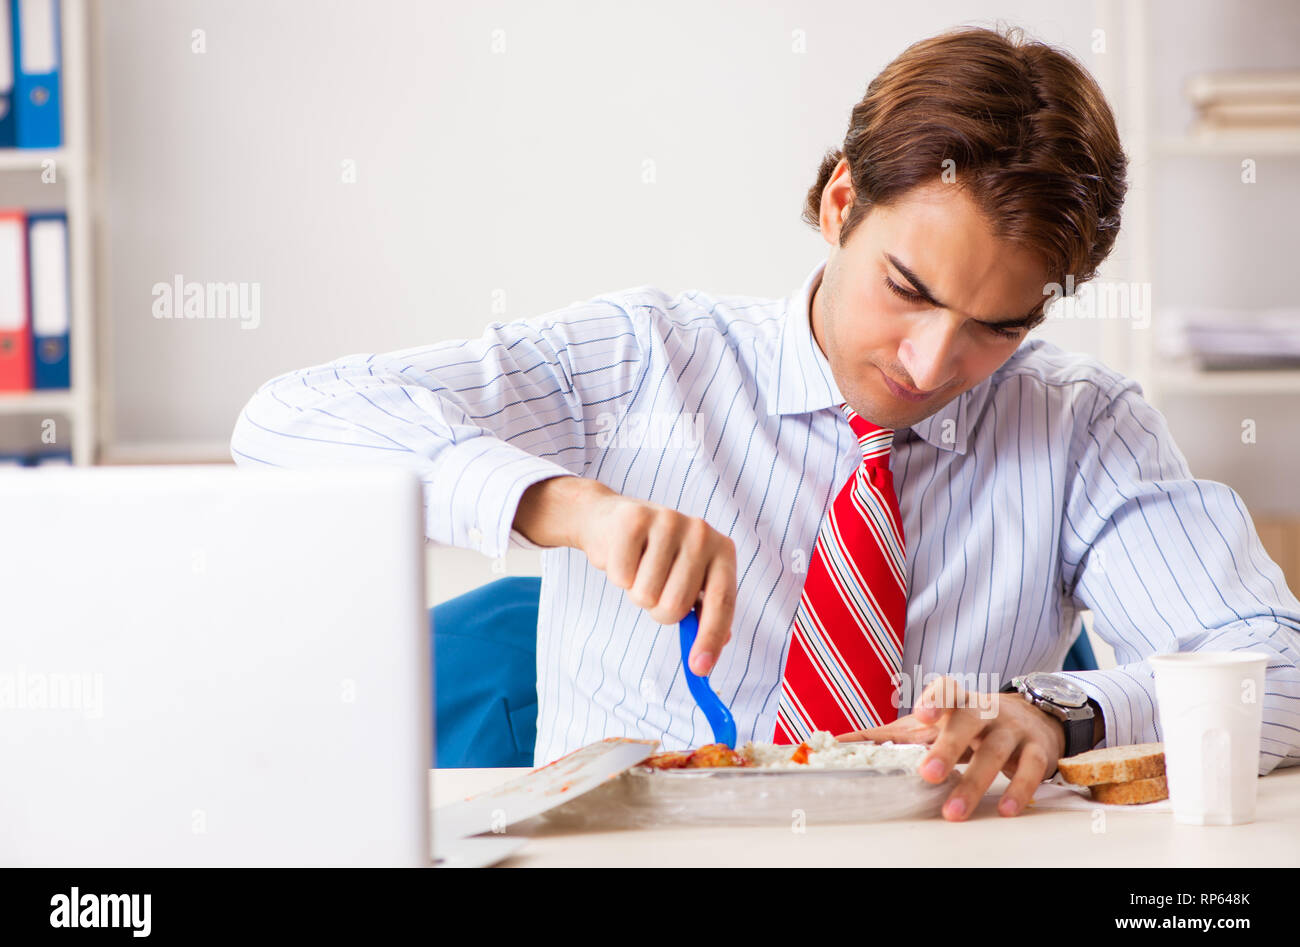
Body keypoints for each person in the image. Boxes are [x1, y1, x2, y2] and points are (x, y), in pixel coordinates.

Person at [231, 26, 1300, 821]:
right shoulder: (645, 360)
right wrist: (567, 506)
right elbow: (286, 422)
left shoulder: (1078, 424)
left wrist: (1064, 714)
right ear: (840, 202)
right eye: (908, 289)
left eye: (995, 326)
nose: (932, 365)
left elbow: (1279, 674)